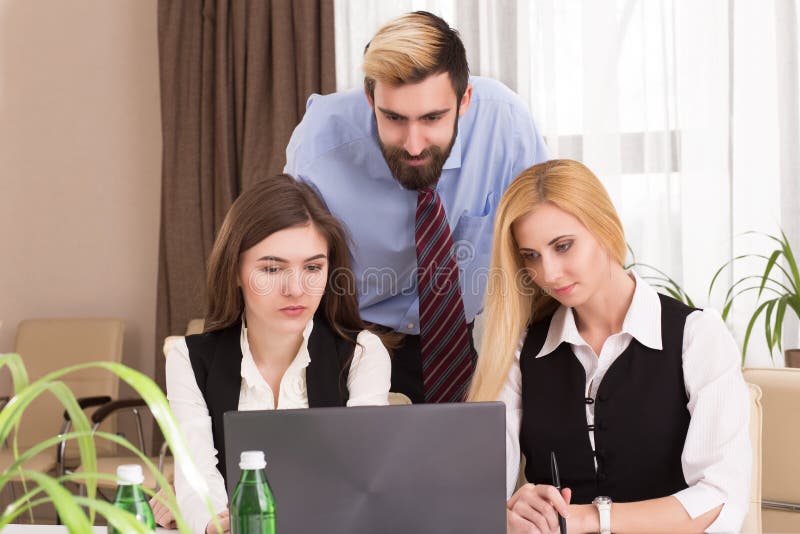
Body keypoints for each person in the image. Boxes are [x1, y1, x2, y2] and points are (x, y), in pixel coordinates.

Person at [468, 159, 751, 533]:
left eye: (563, 246)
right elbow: (480, 499)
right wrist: (507, 516)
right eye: (531, 256)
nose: (548, 273)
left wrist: (589, 517)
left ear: (604, 227)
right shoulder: (521, 351)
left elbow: (720, 499)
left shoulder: (697, 337)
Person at [284, 11, 549, 404]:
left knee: (462, 440)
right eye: (393, 118)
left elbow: (547, 231)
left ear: (464, 100)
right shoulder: (319, 145)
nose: (413, 144)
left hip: (450, 336)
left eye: (432, 118)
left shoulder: (505, 125)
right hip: (349, 335)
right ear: (371, 99)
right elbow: (289, 265)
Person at [154, 175, 391, 534]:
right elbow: (197, 475)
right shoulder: (187, 359)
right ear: (235, 271)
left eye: (313, 267)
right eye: (272, 269)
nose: (295, 289)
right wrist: (206, 517)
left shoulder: (362, 354)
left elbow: (358, 480)